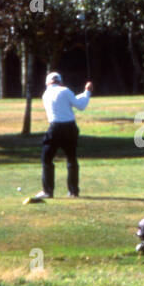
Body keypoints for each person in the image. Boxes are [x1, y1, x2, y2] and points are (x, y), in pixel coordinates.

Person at [33, 71, 93, 200]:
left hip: (55, 128)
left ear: (48, 83)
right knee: (71, 159)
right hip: (70, 128)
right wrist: (87, 92)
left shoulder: (45, 94)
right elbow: (80, 105)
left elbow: (66, 101)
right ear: (60, 81)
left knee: (47, 159)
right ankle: (73, 191)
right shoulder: (66, 91)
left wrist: (84, 93)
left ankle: (48, 191)